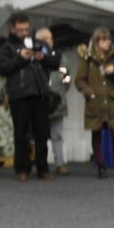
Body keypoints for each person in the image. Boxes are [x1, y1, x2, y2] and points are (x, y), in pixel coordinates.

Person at [0, 13, 59, 182]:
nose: (24, 32)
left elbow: (55, 62)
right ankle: (22, 168)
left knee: (42, 133)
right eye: (20, 30)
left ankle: (43, 168)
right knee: (21, 134)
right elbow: (2, 68)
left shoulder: (39, 44)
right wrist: (20, 58)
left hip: (40, 94)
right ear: (12, 29)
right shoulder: (6, 48)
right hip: (19, 95)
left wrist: (43, 57)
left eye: (26, 29)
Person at [75, 28, 114, 178]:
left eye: (109, 39)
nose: (107, 42)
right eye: (104, 40)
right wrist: (88, 92)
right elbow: (79, 80)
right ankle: (101, 165)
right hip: (95, 102)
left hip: (112, 102)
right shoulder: (87, 58)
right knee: (96, 133)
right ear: (97, 41)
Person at [35, 28, 71, 176]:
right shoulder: (33, 57)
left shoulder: (61, 58)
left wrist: (61, 90)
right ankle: (39, 164)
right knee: (39, 135)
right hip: (38, 101)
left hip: (57, 102)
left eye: (49, 38)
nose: (47, 41)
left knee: (56, 134)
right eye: (43, 39)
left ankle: (59, 163)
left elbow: (67, 77)